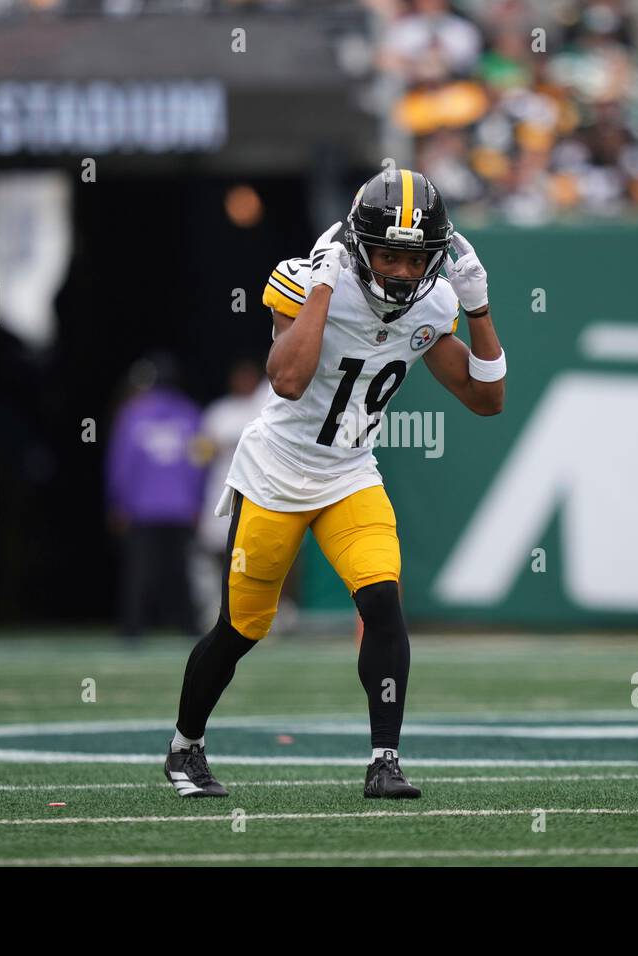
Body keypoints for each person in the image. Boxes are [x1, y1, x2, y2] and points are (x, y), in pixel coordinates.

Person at [167, 169, 504, 799]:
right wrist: (324, 286)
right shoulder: (309, 277)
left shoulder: (434, 304)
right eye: (387, 254)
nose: (402, 271)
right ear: (357, 245)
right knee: (241, 627)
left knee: (382, 601)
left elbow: (486, 399)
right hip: (276, 471)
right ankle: (186, 746)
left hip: (350, 472)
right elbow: (287, 380)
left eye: (415, 257)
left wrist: (479, 308)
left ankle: (385, 761)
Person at [106, 353, 206, 639]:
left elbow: (121, 464)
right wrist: (196, 501)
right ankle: (189, 626)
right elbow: (199, 463)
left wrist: (118, 502)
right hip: (180, 506)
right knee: (181, 570)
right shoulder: (190, 413)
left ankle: (132, 628)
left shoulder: (131, 414)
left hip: (142, 507)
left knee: (139, 571)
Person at [192, 360, 272, 633]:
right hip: (220, 493)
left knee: (255, 557)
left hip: (257, 494)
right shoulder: (219, 412)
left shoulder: (265, 404)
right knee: (214, 557)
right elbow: (199, 454)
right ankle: (215, 613)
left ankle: (258, 615)